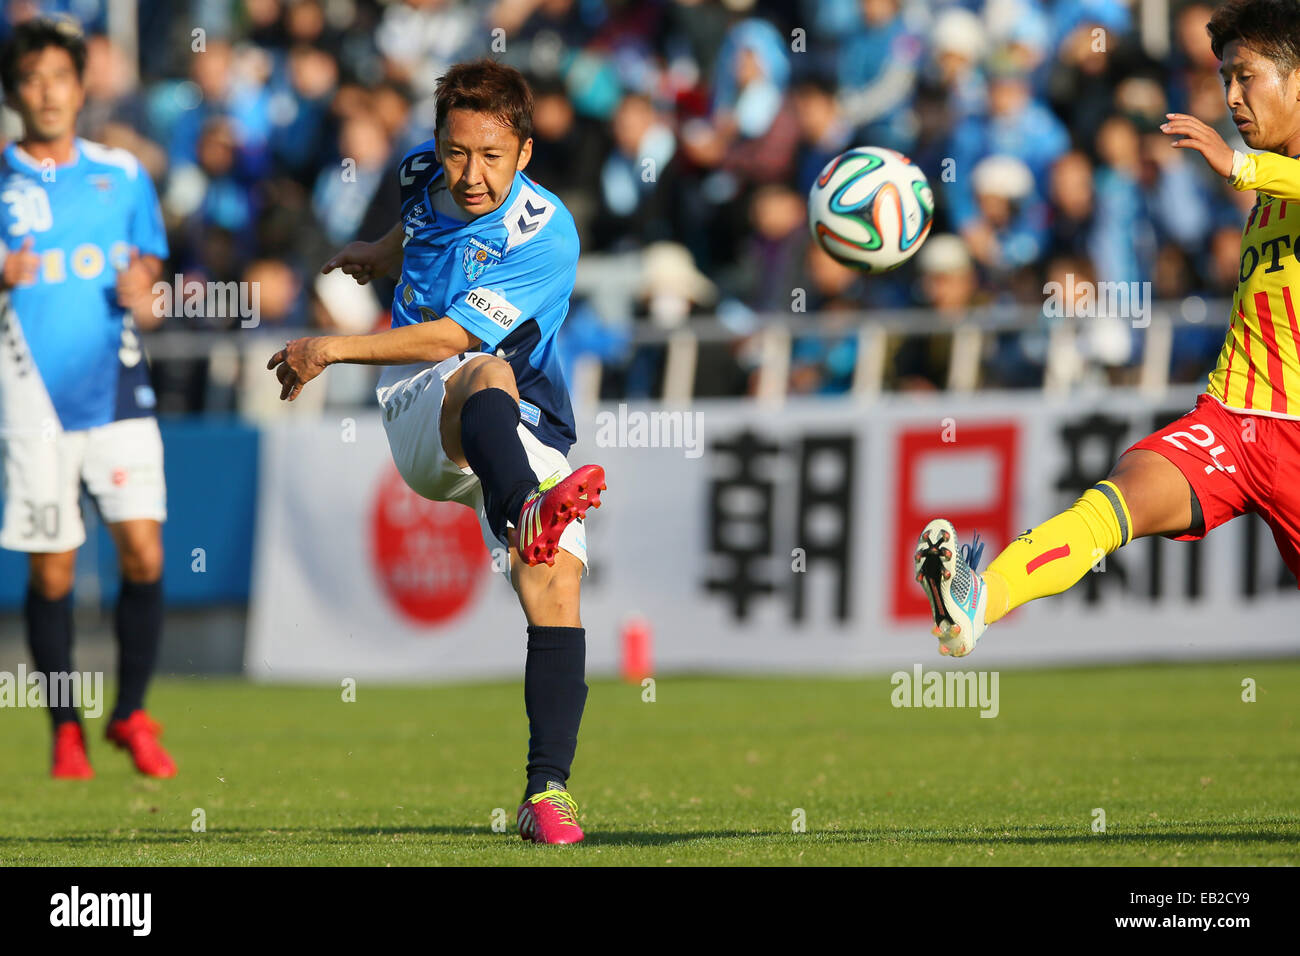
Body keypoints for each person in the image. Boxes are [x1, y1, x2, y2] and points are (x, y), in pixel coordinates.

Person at [267, 59, 605, 844]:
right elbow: (418, 241)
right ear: (437, 145)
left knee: (552, 589)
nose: (472, 173)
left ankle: (545, 794)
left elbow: (457, 329)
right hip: (424, 409)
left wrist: (333, 347)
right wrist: (376, 255)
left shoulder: (547, 234)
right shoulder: (421, 175)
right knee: (483, 372)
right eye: (458, 152)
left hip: (525, 425)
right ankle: (525, 508)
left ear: (525, 151)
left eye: (491, 155)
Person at [913, 0, 1300, 656]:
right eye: (1224, 78)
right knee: (1113, 504)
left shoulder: (1264, 178)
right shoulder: (1271, 193)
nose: (1232, 96)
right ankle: (979, 599)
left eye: (1247, 77)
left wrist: (1238, 168)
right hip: (1231, 419)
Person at [0, 17, 174, 777]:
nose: (47, 92)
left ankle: (130, 712)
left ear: (80, 87)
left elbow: (151, 273)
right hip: (30, 400)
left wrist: (146, 287)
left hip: (117, 388)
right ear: (15, 91)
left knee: (143, 550)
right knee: (55, 572)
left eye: (60, 77)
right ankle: (64, 725)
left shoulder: (122, 174)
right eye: (32, 78)